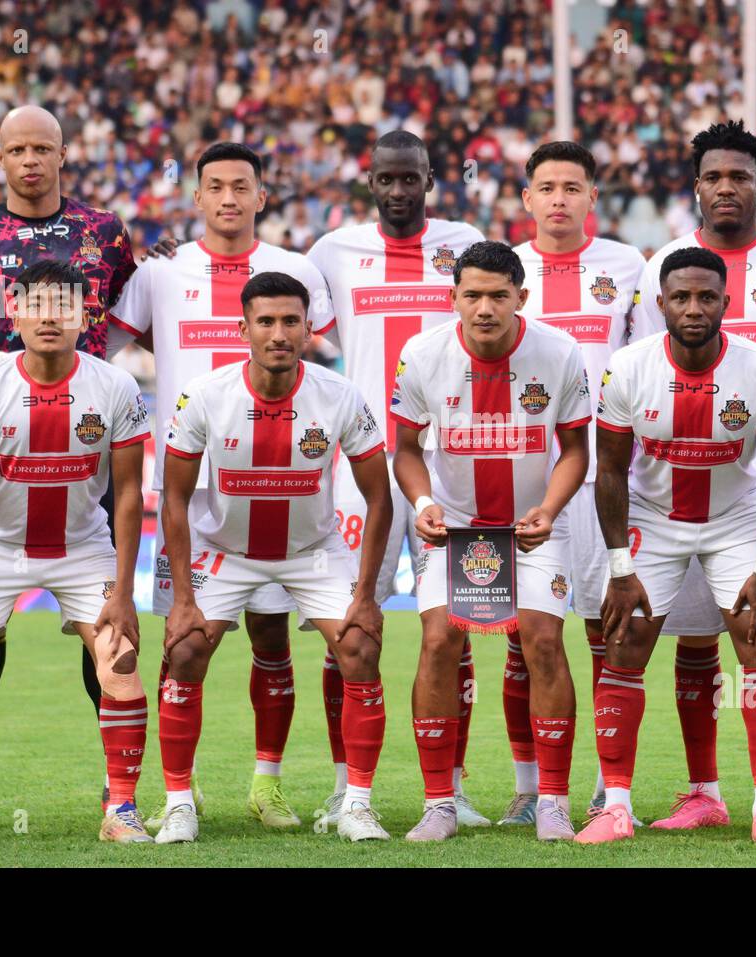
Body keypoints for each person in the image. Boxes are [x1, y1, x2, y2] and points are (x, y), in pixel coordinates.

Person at [0, 105, 139, 819]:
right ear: (0, 156)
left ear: (64, 153)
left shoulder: (105, 232)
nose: (31, 160)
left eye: (43, 147)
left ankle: (119, 787)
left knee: (103, 625)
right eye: (18, 149)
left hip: (87, 437)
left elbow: (135, 313)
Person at [108, 141, 333, 830]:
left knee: (272, 638)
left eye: (242, 186)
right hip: (189, 491)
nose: (229, 198)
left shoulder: (294, 270)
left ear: (262, 196)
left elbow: (323, 359)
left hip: (277, 482)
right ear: (197, 198)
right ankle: (182, 790)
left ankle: (267, 785)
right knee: (185, 644)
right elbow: (109, 352)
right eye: (216, 187)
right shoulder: (161, 273)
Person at [631, 120, 756, 832]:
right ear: (696, 188)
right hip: (680, 491)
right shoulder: (666, 263)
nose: (726, 188)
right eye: (713, 177)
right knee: (695, 638)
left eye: (739, 177)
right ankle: (702, 790)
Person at [154, 271, 393, 844]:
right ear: (243, 328)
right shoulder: (205, 396)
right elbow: (175, 498)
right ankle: (180, 801)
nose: (279, 333)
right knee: (185, 650)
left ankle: (357, 803)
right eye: (266, 321)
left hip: (311, 552)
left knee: (359, 647)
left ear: (310, 328)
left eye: (291, 321)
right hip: (227, 552)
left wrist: (365, 595)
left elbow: (380, 495)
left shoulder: (340, 395)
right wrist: (183, 598)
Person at [579, 246, 756, 846]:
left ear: (727, 302)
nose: (694, 308)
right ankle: (616, 808)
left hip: (734, 516)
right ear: (661, 304)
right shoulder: (626, 368)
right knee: (622, 641)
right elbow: (609, 472)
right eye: (681, 297)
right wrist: (620, 566)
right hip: (654, 517)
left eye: (707, 296)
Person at [305, 130, 488, 826]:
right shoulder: (332, 252)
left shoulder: (464, 240)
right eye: (387, 179)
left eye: (411, 178)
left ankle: (455, 786)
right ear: (369, 181)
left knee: (457, 627)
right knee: (350, 627)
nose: (399, 190)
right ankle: (343, 784)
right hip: (362, 468)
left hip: (456, 462)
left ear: (431, 178)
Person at [390, 241, 590, 842]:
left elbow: (577, 450)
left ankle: (550, 801)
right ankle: (439, 803)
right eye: (471, 295)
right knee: (438, 639)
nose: (484, 308)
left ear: (520, 298)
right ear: (453, 298)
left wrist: (549, 510)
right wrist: (424, 505)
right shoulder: (422, 354)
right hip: (453, 524)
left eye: (498, 295)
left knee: (543, 640)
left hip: (532, 525)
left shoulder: (559, 352)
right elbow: (404, 450)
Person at [500, 141, 646, 826]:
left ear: (592, 197)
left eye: (573, 187)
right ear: (526, 198)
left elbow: (644, 362)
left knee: (603, 626)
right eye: (546, 187)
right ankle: (529, 787)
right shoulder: (503, 270)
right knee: (520, 634)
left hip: (603, 479)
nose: (559, 199)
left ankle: (601, 785)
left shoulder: (627, 266)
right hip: (520, 472)